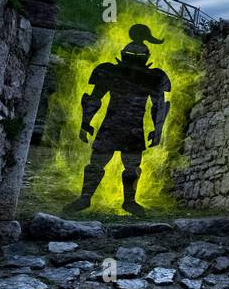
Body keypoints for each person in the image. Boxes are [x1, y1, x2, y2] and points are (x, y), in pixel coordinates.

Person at [65, 23, 171, 216]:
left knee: (128, 166)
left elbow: (159, 106)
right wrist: (85, 122)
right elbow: (94, 98)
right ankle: (87, 198)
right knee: (102, 164)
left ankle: (126, 201)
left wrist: (158, 129)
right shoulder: (144, 75)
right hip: (118, 126)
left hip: (126, 127)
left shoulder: (143, 76)